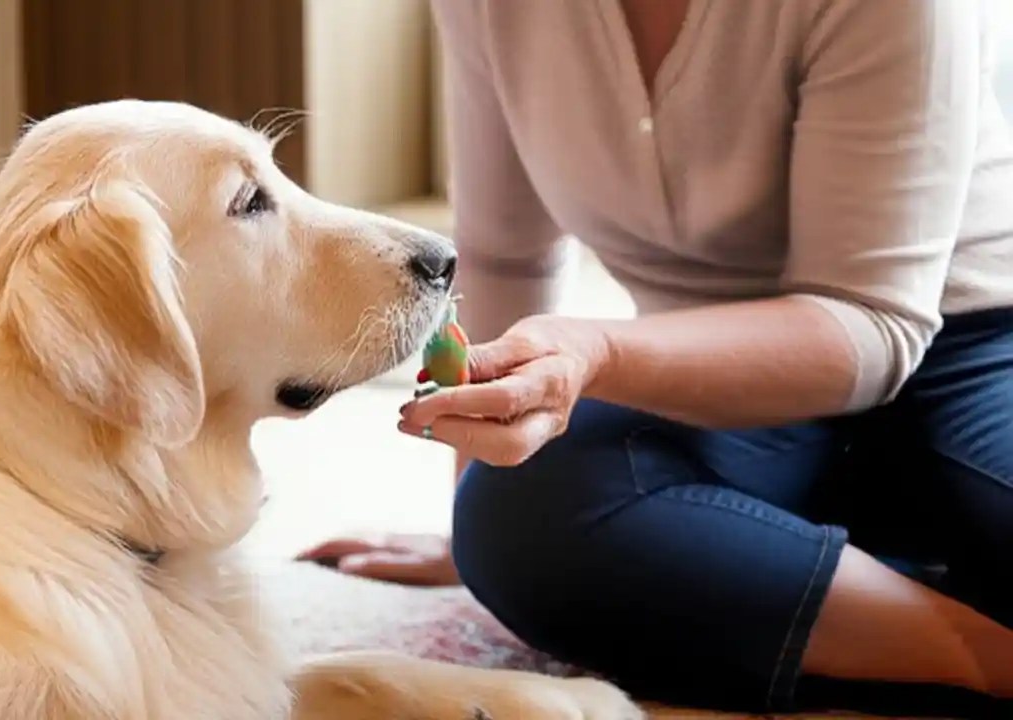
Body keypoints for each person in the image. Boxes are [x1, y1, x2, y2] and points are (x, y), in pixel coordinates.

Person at [299, 0, 1013, 715]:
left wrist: (598, 350)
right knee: (524, 513)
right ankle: (980, 651)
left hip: (973, 348)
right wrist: (471, 515)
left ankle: (851, 593)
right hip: (717, 386)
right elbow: (505, 254)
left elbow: (868, 323)